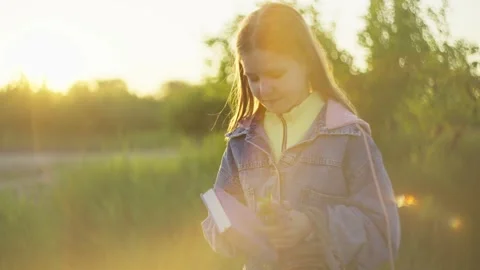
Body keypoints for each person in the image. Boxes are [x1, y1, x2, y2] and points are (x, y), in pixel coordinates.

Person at [201, 2, 401, 270]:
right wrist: (233, 230)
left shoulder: (348, 136)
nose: (264, 88)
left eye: (276, 73)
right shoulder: (241, 141)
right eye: (253, 77)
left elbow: (383, 232)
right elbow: (217, 217)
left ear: (306, 62)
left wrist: (311, 224)